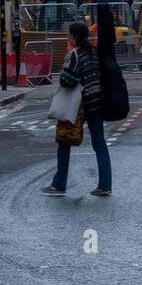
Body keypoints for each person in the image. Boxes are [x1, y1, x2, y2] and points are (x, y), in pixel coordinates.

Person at [42, 22, 112, 197]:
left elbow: (68, 79)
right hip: (97, 100)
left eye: (69, 35)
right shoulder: (94, 52)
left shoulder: (74, 54)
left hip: (79, 104)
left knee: (64, 141)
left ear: (74, 36)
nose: (68, 37)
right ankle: (105, 184)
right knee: (99, 143)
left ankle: (59, 184)